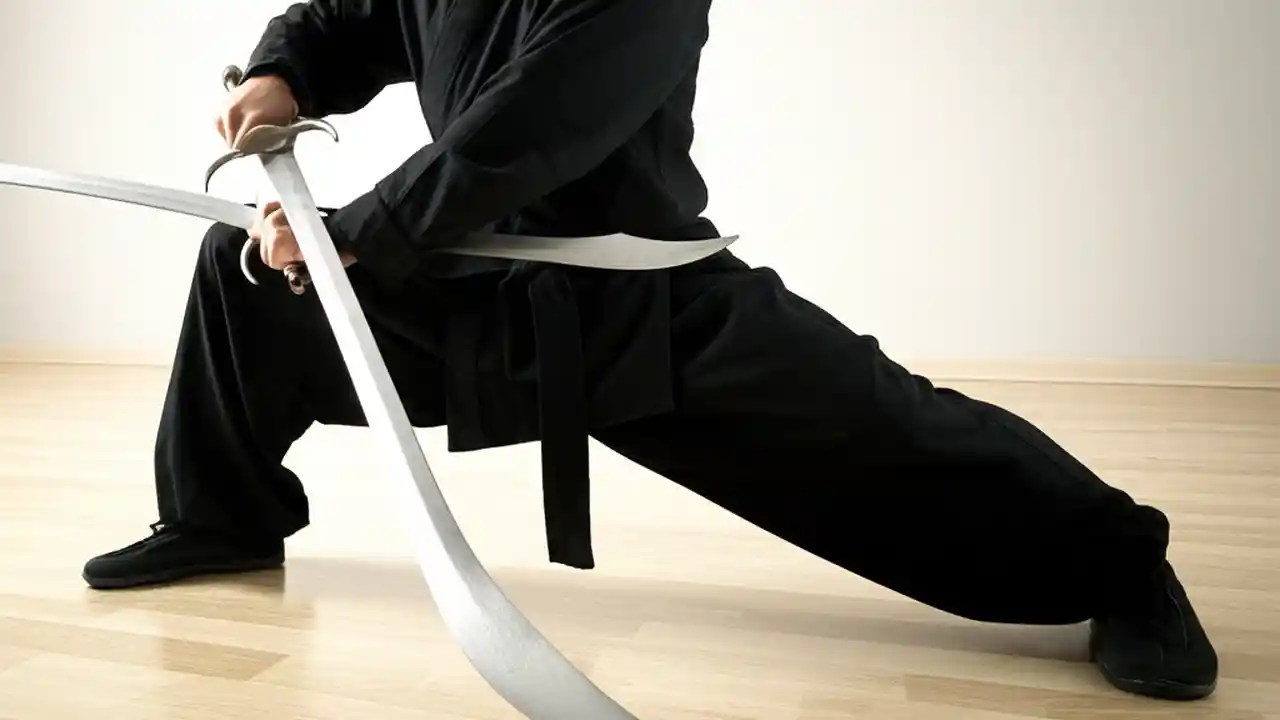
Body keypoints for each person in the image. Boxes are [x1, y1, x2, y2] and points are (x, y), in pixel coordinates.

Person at [82, 0, 1218, 703]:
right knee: (248, 282)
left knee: (887, 439)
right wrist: (281, 68)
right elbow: (356, 17)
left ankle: (1116, 565)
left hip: (633, 299)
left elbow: (524, 129)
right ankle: (218, 518)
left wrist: (357, 234)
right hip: (466, 283)